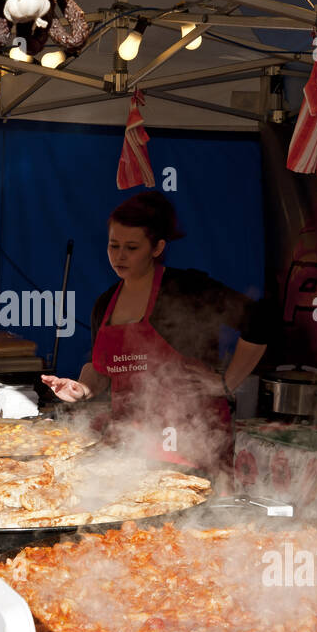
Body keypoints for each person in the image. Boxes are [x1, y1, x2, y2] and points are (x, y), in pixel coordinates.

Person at [41, 191, 273, 475]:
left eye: (131, 247)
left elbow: (259, 320)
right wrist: (82, 388)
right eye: (113, 246)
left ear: (157, 247)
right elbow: (101, 369)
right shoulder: (105, 303)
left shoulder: (186, 290)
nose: (119, 256)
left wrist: (226, 384)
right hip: (133, 446)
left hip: (192, 447)